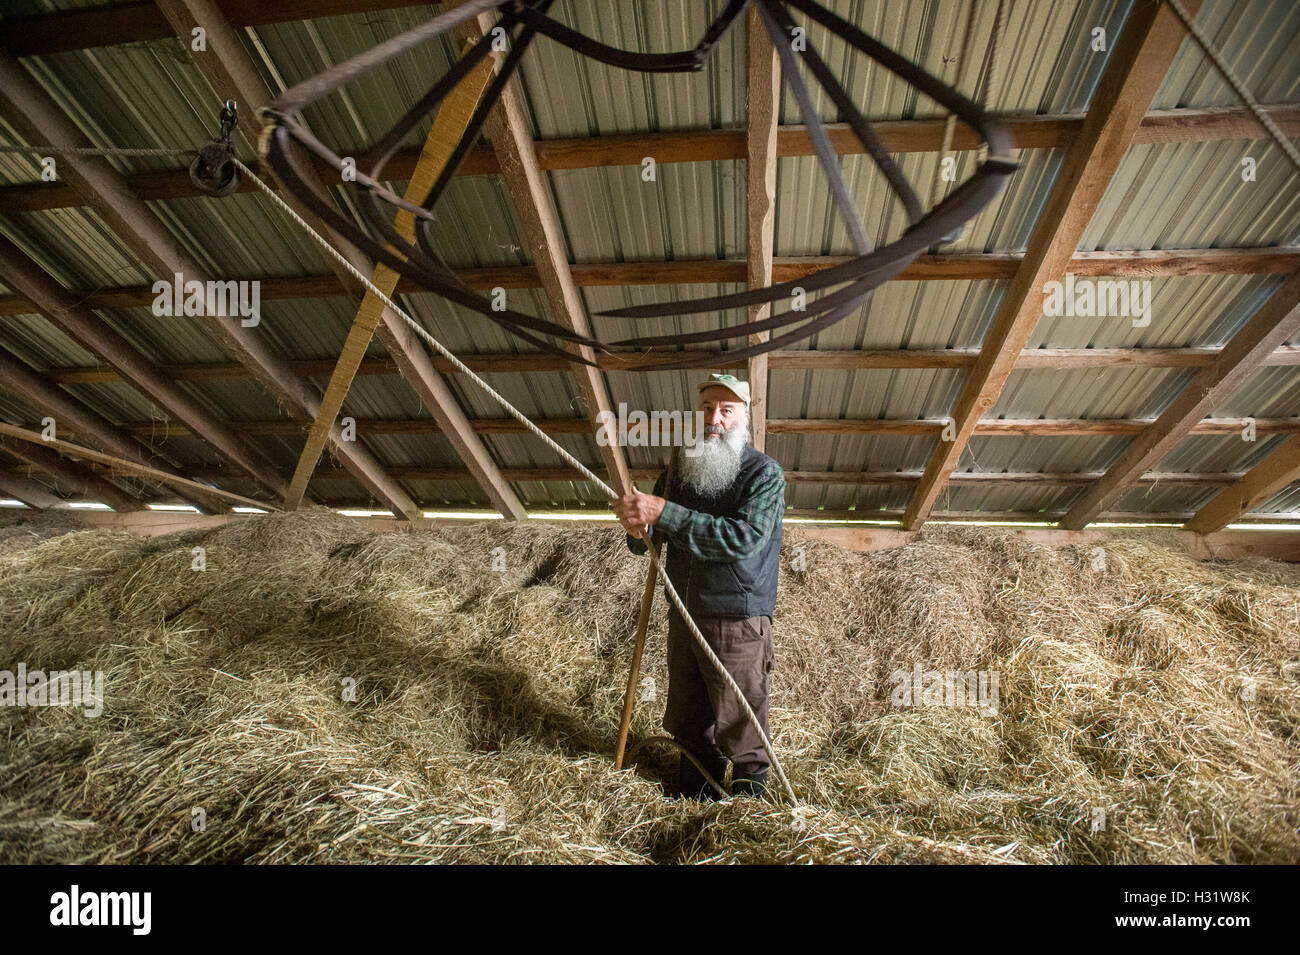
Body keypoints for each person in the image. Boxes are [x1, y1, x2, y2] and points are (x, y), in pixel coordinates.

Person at [610, 373, 786, 799]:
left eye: (727, 410)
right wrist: (637, 530)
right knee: (689, 717)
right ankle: (694, 794)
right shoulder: (679, 472)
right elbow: (648, 544)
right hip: (683, 612)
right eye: (708, 408)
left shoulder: (763, 474)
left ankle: (748, 803)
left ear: (744, 417)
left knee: (740, 718)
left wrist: (664, 513)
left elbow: (742, 539)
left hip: (737, 618)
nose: (715, 418)